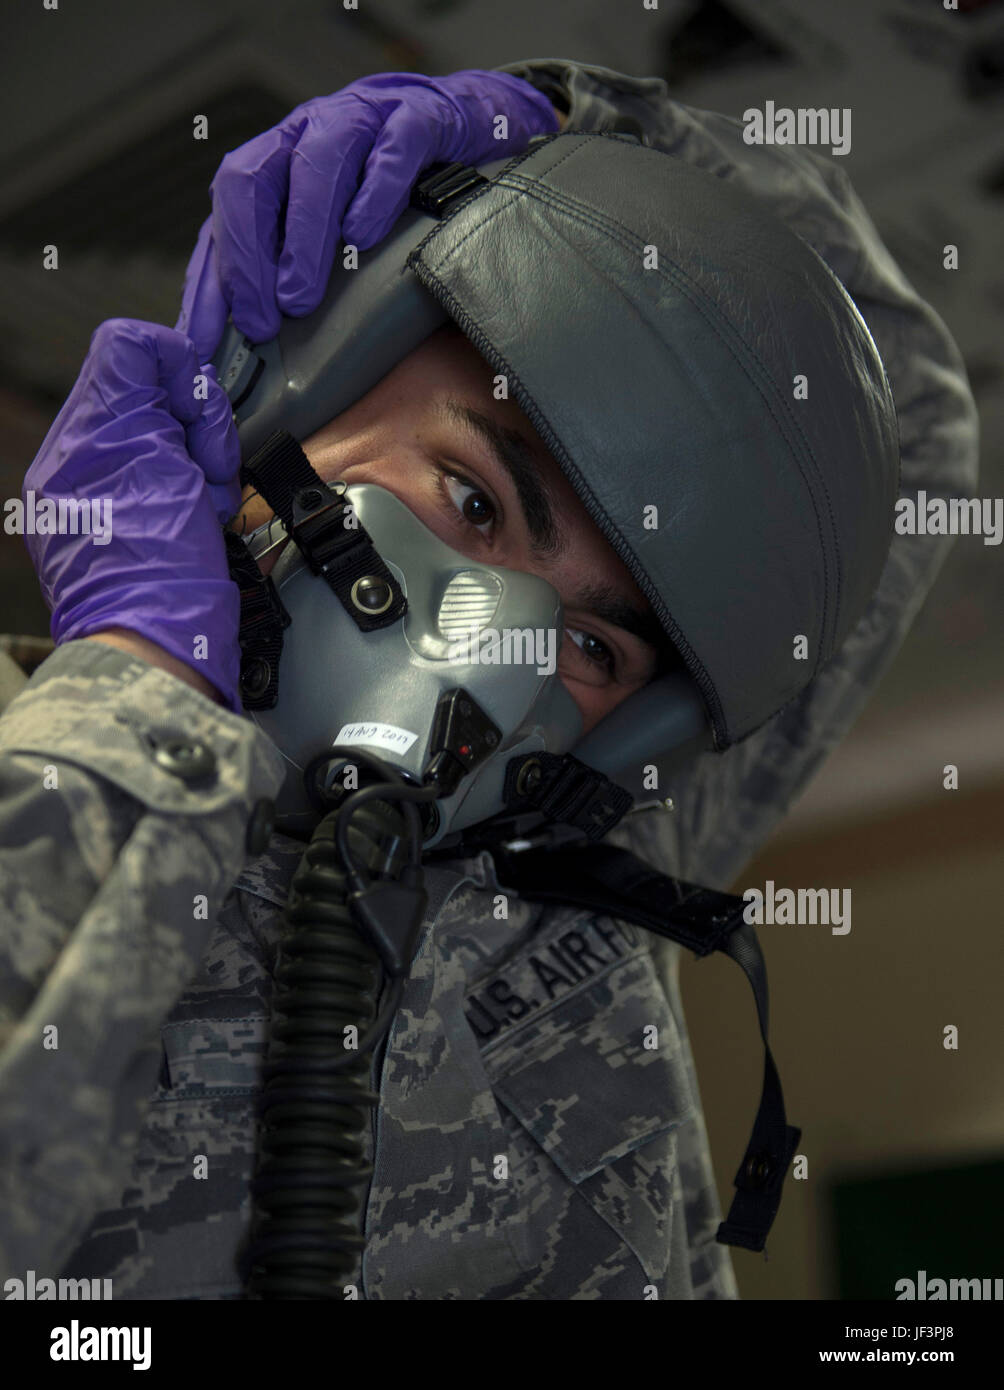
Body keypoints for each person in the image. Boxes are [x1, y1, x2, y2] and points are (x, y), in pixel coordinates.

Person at [0, 61, 977, 1301]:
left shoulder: (580, 872)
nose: (491, 648)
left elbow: (888, 420)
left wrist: (588, 142)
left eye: (594, 645)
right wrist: (139, 683)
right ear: (289, 392)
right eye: (471, 499)